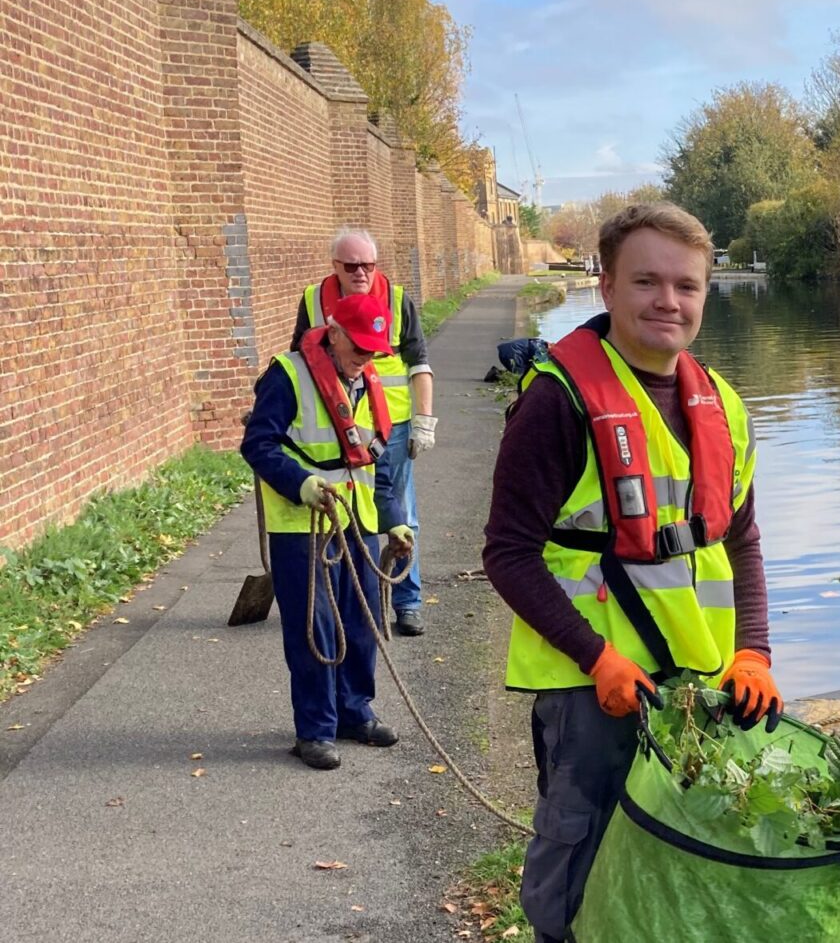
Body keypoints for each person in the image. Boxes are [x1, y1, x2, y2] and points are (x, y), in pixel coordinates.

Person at [482, 203, 782, 943]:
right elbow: (508, 553)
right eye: (647, 280)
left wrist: (755, 652)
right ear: (607, 283)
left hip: (700, 688)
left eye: (687, 286)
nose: (668, 302)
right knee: (579, 862)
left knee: (679, 861)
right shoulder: (558, 403)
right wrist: (596, 656)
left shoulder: (727, 406)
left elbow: (740, 540)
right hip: (594, 689)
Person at [244, 291, 414, 770]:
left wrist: (394, 518)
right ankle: (314, 730)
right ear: (334, 333)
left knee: (361, 622)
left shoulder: (369, 379)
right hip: (304, 525)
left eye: (373, 351)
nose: (365, 358)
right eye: (358, 347)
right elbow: (258, 444)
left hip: (358, 521)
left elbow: (378, 460)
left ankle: (354, 712)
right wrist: (302, 484)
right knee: (314, 629)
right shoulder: (288, 374)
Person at [292, 228, 436, 637]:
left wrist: (424, 420)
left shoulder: (396, 299)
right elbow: (298, 357)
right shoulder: (313, 301)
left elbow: (419, 362)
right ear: (334, 266)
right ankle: (355, 598)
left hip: (390, 425)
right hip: (335, 422)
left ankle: (407, 601)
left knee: (398, 512)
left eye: (368, 266)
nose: (360, 273)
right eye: (351, 266)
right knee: (343, 510)